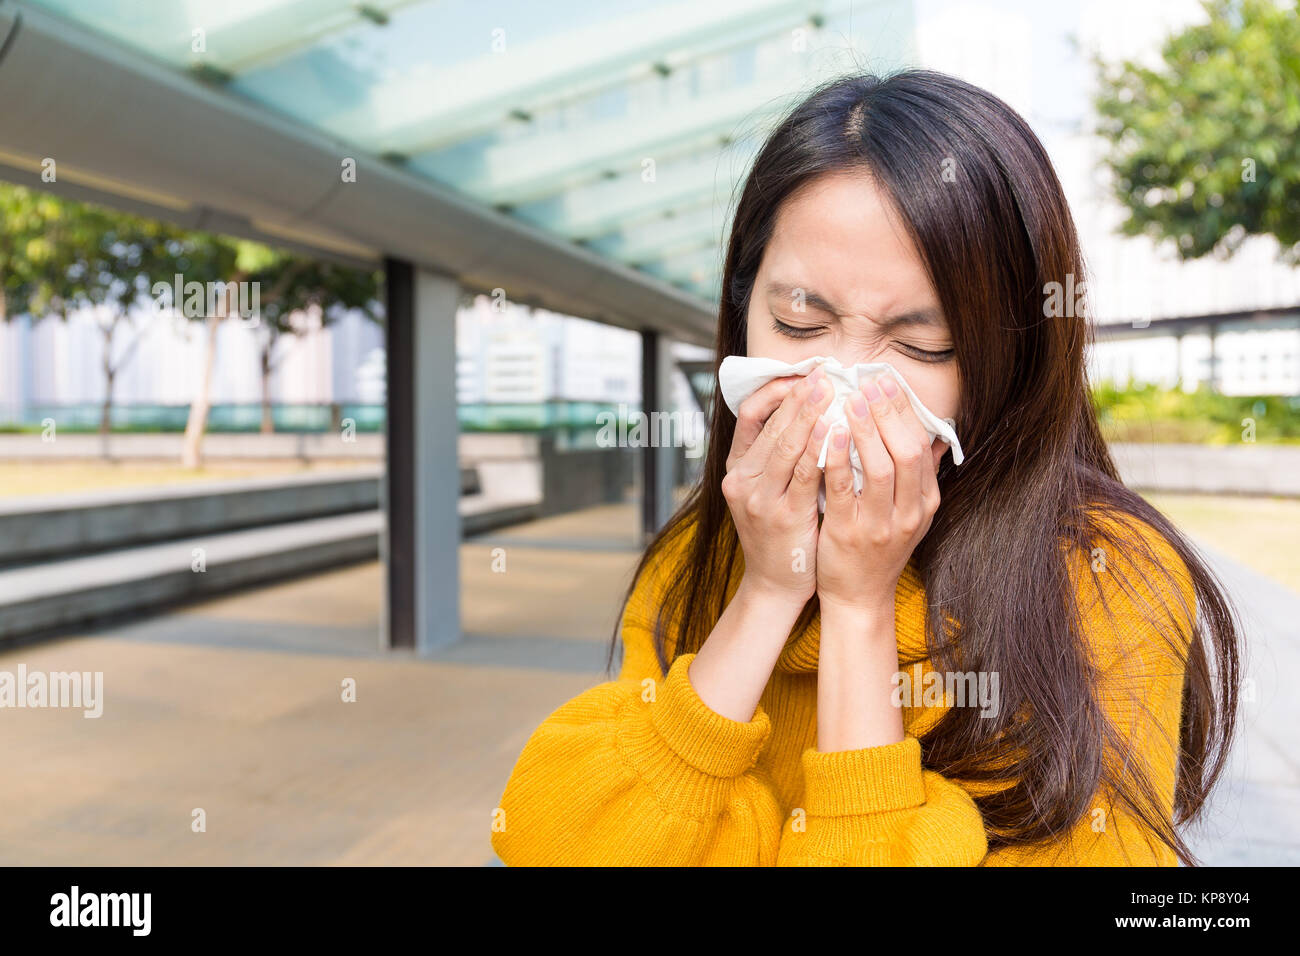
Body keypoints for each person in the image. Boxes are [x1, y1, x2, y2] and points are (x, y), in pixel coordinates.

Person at [490, 69, 1242, 866]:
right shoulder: (693, 560)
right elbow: (569, 841)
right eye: (798, 320)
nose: (841, 377)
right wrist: (768, 590)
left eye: (921, 344)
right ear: (743, 312)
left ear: (1008, 355)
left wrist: (858, 610)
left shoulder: (1106, 578)